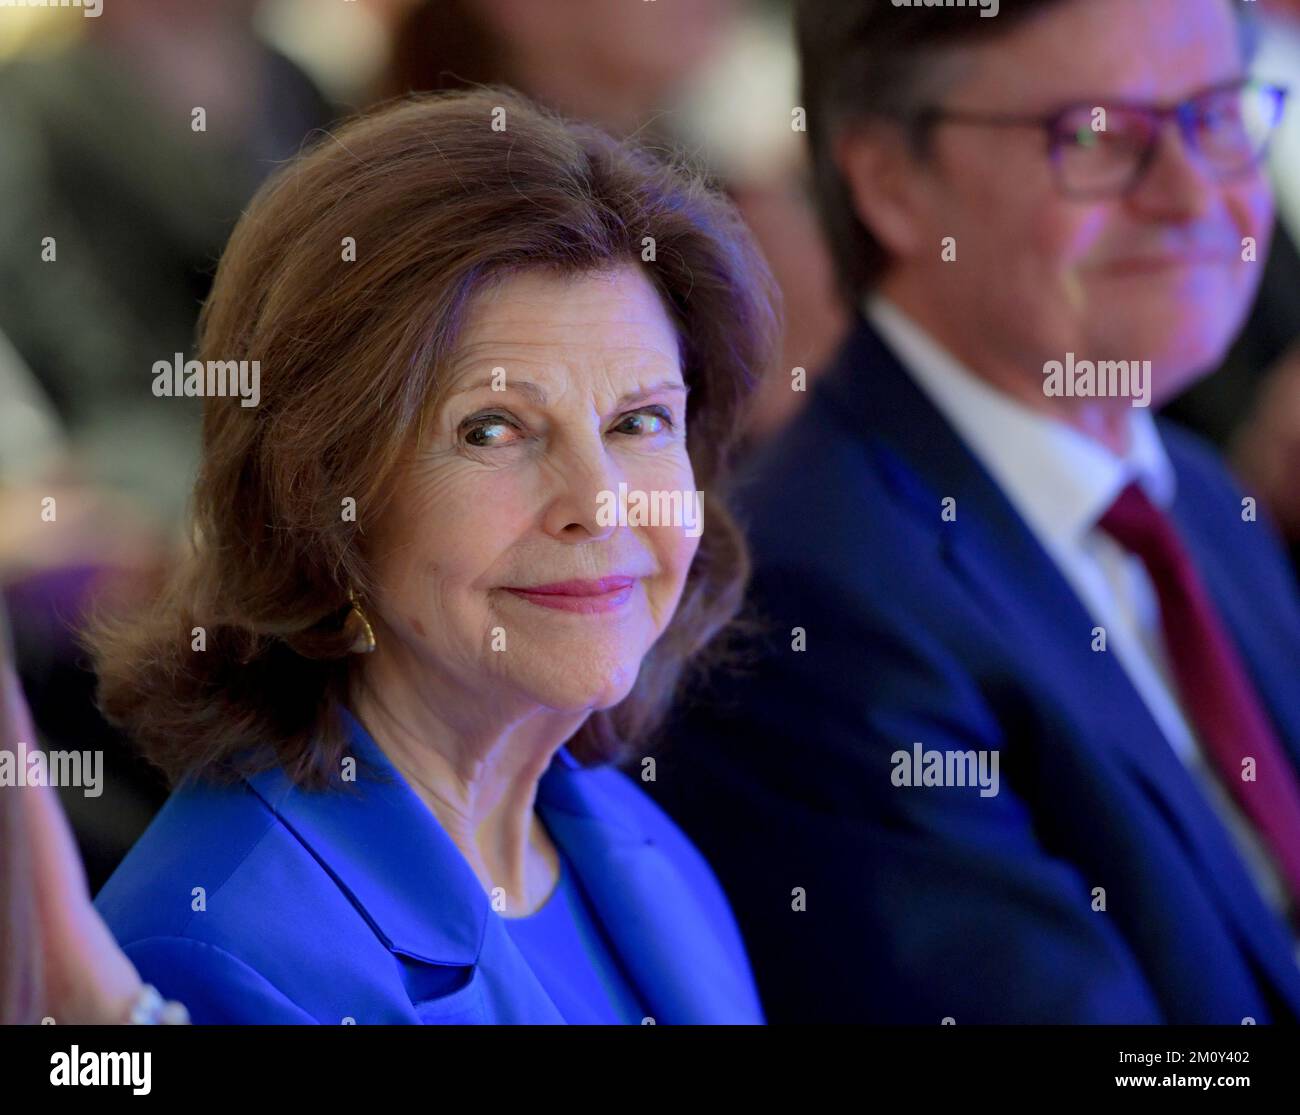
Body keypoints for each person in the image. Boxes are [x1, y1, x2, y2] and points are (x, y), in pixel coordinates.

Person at [645, 0, 1300, 1023]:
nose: (1189, 194)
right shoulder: (811, 604)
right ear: (888, 179)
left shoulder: (1193, 492)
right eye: (1094, 134)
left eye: (1216, 114)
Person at [88, 87, 779, 1024]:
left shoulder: (632, 841)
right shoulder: (221, 957)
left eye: (640, 420)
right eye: (492, 429)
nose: (600, 504)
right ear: (325, 496)